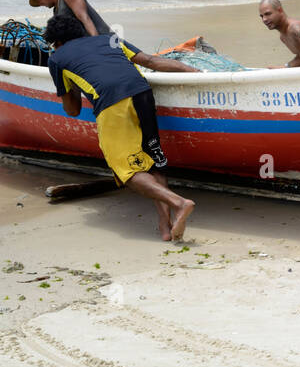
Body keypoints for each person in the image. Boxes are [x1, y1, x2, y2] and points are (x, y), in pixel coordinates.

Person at [43, 15, 196, 241]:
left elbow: (73, 109)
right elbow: (151, 62)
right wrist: (193, 72)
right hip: (142, 93)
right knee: (153, 160)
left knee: (127, 171)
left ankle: (179, 203)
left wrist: (73, 86)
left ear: (56, 42)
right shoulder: (109, 39)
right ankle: (165, 227)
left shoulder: (57, 59)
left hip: (113, 103)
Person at [29, 0, 121, 40]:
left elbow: (85, 19)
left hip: (107, 40)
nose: (40, 4)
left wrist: (97, 45)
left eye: (38, 0)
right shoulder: (56, 10)